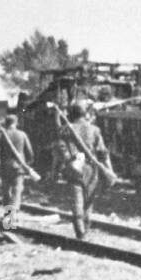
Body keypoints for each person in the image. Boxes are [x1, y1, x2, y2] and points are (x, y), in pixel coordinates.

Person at [60, 100, 110, 239]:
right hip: (91, 169)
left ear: (71, 114)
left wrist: (65, 164)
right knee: (88, 202)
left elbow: (61, 150)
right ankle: (85, 230)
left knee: (77, 200)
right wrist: (109, 171)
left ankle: (80, 232)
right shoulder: (94, 130)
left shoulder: (65, 129)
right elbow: (103, 152)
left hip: (74, 167)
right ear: (85, 114)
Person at [0, 113, 35, 229]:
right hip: (19, 167)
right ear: (16, 123)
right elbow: (30, 153)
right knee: (17, 191)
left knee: (6, 192)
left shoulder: (0, 135)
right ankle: (11, 218)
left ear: (6, 123)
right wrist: (27, 165)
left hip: (5, 166)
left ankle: (8, 219)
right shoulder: (22, 134)